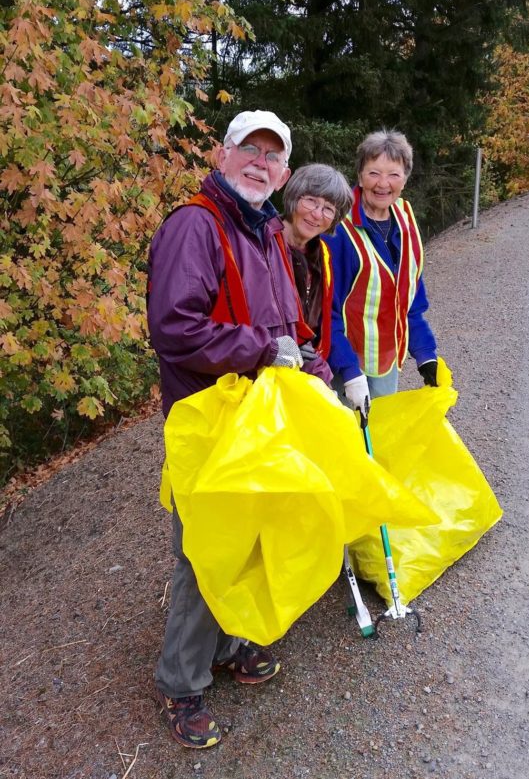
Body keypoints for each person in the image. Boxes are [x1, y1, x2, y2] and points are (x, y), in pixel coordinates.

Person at [147, 110, 332, 750]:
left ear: (282, 174)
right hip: (209, 420)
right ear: (222, 156)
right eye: (248, 149)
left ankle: (225, 647)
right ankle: (181, 681)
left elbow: (288, 325)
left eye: (272, 155)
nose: (260, 162)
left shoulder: (263, 232)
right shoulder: (195, 224)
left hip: (258, 420)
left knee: (247, 540)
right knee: (204, 555)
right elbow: (176, 329)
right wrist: (261, 350)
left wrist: (316, 365)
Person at [323, 129, 438, 415]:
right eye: (374, 173)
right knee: (345, 446)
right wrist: (349, 371)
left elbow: (411, 296)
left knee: (380, 440)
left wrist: (425, 354)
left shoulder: (405, 218)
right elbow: (327, 311)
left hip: (386, 363)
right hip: (342, 366)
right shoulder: (338, 229)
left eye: (394, 175)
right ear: (360, 175)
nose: (383, 184)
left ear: (405, 179)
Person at [281, 164, 353, 360]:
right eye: (311, 201)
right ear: (294, 197)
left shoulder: (323, 255)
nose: (317, 214)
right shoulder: (265, 243)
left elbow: (326, 321)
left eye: (328, 209)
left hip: (310, 368)